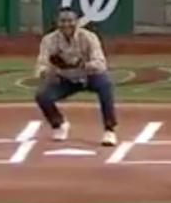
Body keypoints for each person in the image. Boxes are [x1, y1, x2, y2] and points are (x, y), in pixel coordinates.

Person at [34, 8, 118, 146]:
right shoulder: (49, 40)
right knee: (42, 95)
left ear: (77, 22)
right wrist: (47, 73)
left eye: (70, 21)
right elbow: (41, 64)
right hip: (64, 79)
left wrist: (84, 66)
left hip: (89, 77)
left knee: (106, 85)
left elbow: (100, 63)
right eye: (63, 21)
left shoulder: (89, 37)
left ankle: (109, 130)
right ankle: (59, 124)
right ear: (57, 22)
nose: (66, 24)